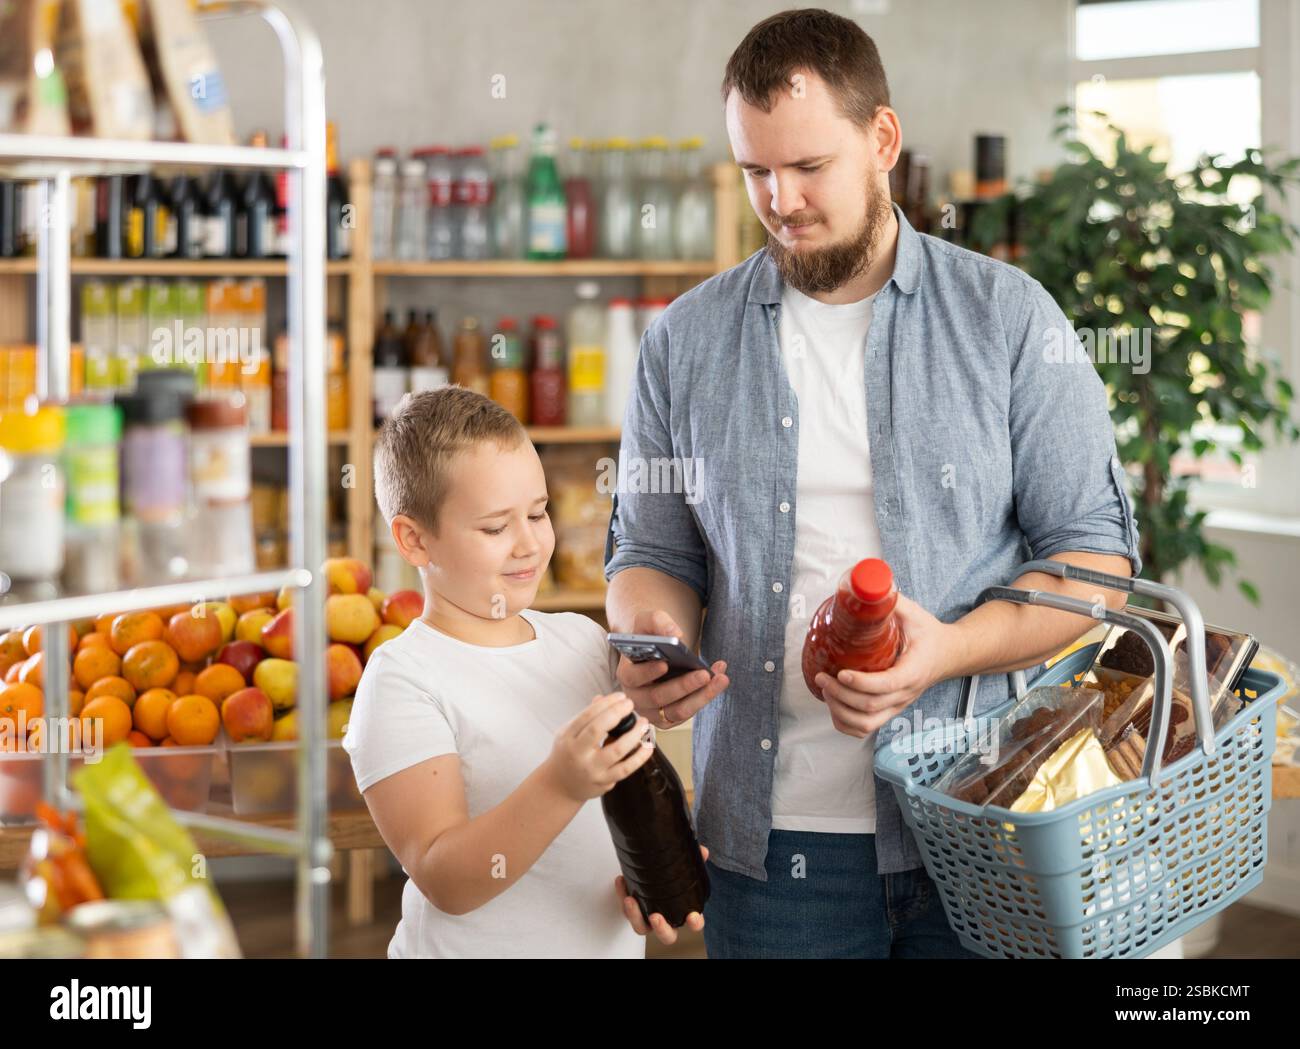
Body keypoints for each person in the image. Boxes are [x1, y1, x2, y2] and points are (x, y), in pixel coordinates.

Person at [604, 8, 1142, 959]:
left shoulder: (1010, 319)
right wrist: (656, 640)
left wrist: (946, 650)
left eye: (809, 167)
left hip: (984, 817)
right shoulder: (681, 343)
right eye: (756, 170)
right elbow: (650, 550)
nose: (782, 199)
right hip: (770, 849)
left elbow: (1095, 561)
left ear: (882, 140)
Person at [343, 386, 704, 957]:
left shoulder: (583, 641)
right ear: (414, 539)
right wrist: (560, 783)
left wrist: (656, 867)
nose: (531, 543)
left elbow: (624, 806)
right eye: (494, 528)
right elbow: (446, 880)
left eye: (538, 513)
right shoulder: (403, 680)